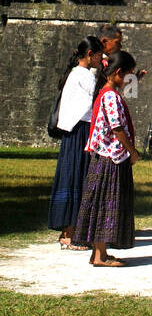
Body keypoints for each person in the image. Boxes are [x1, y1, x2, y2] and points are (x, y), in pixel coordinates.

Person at [71, 50, 139, 266]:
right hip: (111, 157)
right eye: (129, 75)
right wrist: (132, 151)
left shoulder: (106, 91)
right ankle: (100, 255)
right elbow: (117, 127)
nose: (131, 80)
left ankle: (99, 252)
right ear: (118, 73)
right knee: (105, 205)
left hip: (105, 156)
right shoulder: (110, 95)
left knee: (100, 203)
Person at [49, 35, 103, 249]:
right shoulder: (83, 75)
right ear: (90, 55)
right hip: (80, 130)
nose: (101, 60)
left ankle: (72, 230)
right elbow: (99, 96)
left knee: (72, 176)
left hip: (74, 131)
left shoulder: (75, 74)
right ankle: (70, 233)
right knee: (76, 178)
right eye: (99, 56)